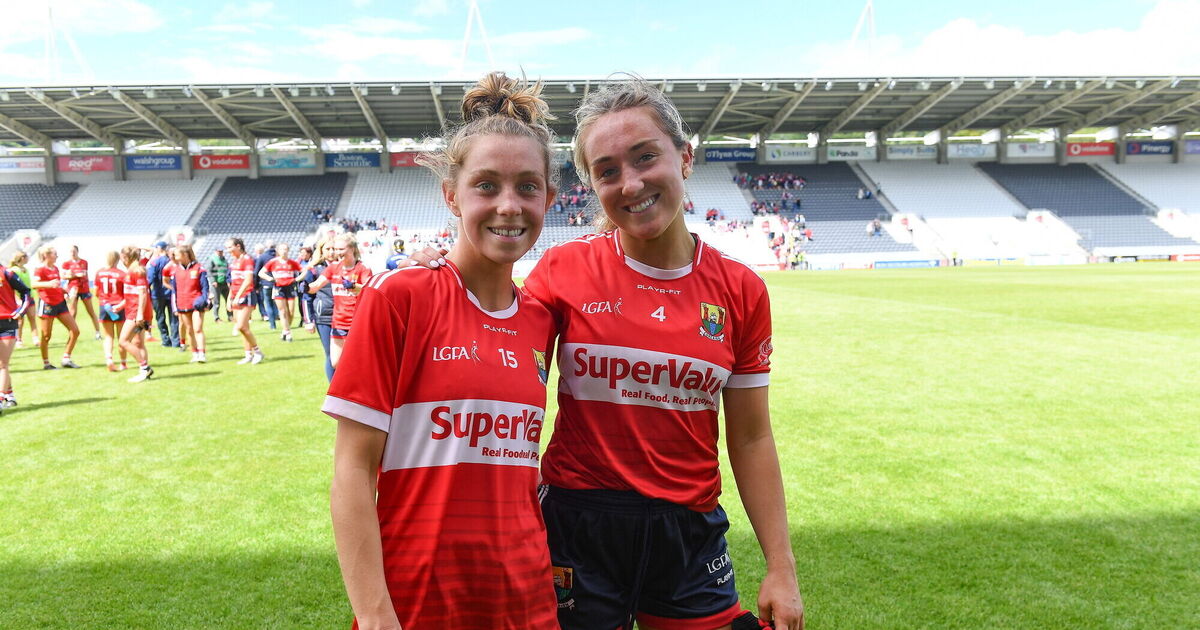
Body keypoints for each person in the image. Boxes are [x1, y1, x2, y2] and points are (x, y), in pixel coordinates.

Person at [413, 77, 803, 630]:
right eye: (608, 170)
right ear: (592, 184)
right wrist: (438, 278)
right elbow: (490, 346)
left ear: (685, 158)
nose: (631, 182)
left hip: (687, 533)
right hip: (579, 528)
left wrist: (780, 565)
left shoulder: (740, 290)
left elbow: (751, 436)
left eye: (646, 157)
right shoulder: (563, 272)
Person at [325, 70, 559, 629]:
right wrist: (375, 616)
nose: (509, 205)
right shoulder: (400, 297)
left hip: (527, 605)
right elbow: (352, 472)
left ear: (549, 197)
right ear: (451, 195)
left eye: (528, 186)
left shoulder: (541, 321)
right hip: (416, 605)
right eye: (487, 185)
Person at [304, 233, 371, 370]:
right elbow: (316, 286)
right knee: (336, 363)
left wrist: (353, 286)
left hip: (357, 322)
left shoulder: (363, 268)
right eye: (335, 249)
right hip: (338, 321)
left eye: (341, 249)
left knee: (359, 361)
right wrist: (306, 287)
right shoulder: (333, 268)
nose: (337, 252)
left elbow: (368, 290)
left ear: (352, 249)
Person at [31, 245, 82, 370]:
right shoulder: (40, 269)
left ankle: (66, 358)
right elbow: (33, 284)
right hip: (47, 304)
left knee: (75, 330)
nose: (57, 256)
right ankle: (46, 363)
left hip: (60, 304)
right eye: (54, 254)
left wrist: (64, 291)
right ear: (46, 255)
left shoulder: (55, 268)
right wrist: (48, 284)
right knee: (46, 335)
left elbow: (57, 285)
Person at [298, 238, 336, 381]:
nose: (332, 252)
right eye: (328, 249)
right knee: (330, 354)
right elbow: (306, 297)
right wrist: (308, 320)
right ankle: (333, 389)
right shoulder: (314, 269)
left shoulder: (345, 266)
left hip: (345, 317)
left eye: (334, 248)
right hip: (323, 316)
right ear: (321, 251)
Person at [118, 246, 154, 383]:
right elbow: (132, 293)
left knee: (123, 341)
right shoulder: (132, 270)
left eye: (122, 256)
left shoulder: (137, 271)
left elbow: (143, 293)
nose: (121, 259)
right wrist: (121, 305)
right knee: (138, 343)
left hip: (136, 312)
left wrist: (139, 314)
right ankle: (143, 372)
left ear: (126, 257)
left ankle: (145, 368)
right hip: (134, 310)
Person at [0, 260, 32, 411]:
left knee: (2, 364)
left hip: (7, 322)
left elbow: (26, 292)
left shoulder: (7, 273)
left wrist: (20, 312)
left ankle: (0, 399)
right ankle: (10, 396)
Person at [226, 237, 264, 365]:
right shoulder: (234, 261)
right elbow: (233, 282)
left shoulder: (247, 259)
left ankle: (258, 352)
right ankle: (248, 354)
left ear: (238, 246)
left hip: (246, 295)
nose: (228, 250)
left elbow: (248, 280)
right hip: (236, 295)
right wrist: (229, 298)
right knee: (243, 328)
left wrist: (237, 297)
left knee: (241, 326)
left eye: (230, 247)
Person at [171, 245, 210, 364]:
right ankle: (194, 353)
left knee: (198, 328)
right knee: (189, 330)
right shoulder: (176, 270)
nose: (174, 256)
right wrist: (175, 306)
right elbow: (174, 290)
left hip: (196, 303)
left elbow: (205, 287)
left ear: (185, 254)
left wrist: (204, 300)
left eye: (177, 254)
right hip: (182, 304)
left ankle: (202, 353)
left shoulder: (199, 268)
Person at [94, 251, 129, 372]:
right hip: (118, 306)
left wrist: (104, 300)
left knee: (108, 336)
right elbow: (126, 293)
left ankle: (109, 359)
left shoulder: (99, 272)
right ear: (118, 260)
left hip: (105, 306)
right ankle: (123, 363)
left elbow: (96, 292)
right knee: (121, 337)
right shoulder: (121, 274)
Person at [260, 243, 301, 341]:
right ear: (278, 251)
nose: (284, 251)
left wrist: (297, 279)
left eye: (286, 249)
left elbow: (304, 270)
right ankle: (288, 332)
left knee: (291, 312)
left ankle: (285, 329)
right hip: (278, 288)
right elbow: (261, 273)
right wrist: (270, 279)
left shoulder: (292, 262)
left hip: (290, 287)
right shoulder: (273, 262)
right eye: (282, 249)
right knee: (282, 311)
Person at [61, 245, 102, 339]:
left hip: (84, 288)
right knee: (73, 312)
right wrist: (73, 275)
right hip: (73, 289)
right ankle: (72, 334)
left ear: (77, 251)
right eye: (71, 251)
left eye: (74, 251)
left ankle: (98, 333)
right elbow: (63, 276)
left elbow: (85, 275)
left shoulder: (84, 262)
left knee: (91, 311)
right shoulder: (66, 263)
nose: (72, 253)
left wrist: (77, 275)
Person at [146, 241, 180, 348]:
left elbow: (150, 279)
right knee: (174, 319)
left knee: (160, 318)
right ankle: (176, 341)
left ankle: (165, 340)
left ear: (159, 249)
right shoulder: (172, 262)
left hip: (158, 294)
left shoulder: (154, 263)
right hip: (171, 293)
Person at [8, 251, 37, 348]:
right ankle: (18, 340)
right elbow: (11, 287)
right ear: (22, 258)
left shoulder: (26, 269)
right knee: (20, 320)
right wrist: (17, 299)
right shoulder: (13, 270)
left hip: (30, 297)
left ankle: (35, 338)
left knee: (32, 318)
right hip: (19, 298)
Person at [255, 241, 278, 329]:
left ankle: (272, 325)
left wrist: (256, 285)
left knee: (268, 303)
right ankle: (279, 317)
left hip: (266, 283)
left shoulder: (262, 257)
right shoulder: (278, 256)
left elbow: (256, 271)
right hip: (279, 283)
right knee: (279, 302)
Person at [208, 247, 230, 322]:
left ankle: (230, 316)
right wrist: (213, 281)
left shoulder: (224, 259)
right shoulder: (212, 259)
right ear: (216, 251)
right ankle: (216, 318)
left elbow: (227, 270)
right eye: (219, 251)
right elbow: (209, 271)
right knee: (216, 302)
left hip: (224, 282)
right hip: (216, 283)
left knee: (228, 300)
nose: (220, 252)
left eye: (221, 251)